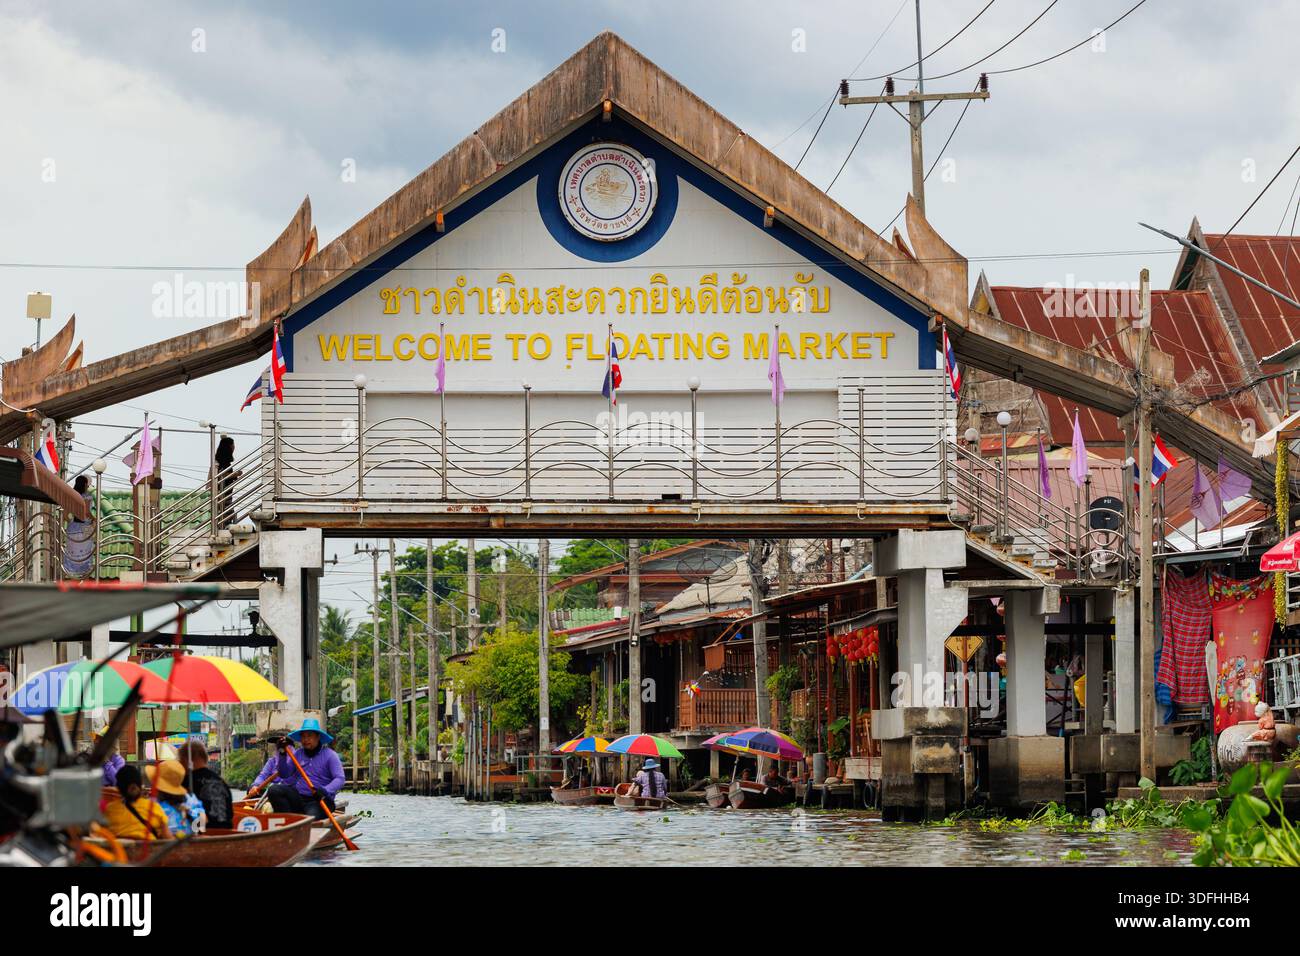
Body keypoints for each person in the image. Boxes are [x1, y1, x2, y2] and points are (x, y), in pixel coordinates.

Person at [266, 718, 345, 820]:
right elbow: (284, 774)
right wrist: (282, 753)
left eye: (309, 736)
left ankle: (297, 822)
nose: (305, 740)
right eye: (303, 736)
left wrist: (325, 790)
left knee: (308, 818)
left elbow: (340, 779)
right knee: (274, 790)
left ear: (318, 737)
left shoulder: (330, 755)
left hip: (320, 800)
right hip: (299, 798)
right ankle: (287, 821)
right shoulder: (298, 754)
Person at [101, 765, 171, 841]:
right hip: (150, 851)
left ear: (119, 788)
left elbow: (103, 834)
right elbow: (167, 838)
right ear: (140, 785)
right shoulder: (154, 807)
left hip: (119, 851)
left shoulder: (110, 809)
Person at [178, 739, 233, 829]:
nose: (180, 763)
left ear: (186, 759)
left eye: (180, 760)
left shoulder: (186, 782)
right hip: (227, 832)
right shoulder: (221, 782)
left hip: (200, 835)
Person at [147, 759, 205, 836]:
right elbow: (202, 824)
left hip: (163, 846)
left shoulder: (153, 805)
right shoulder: (191, 799)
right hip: (191, 843)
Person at [61, 475, 96, 578]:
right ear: (85, 484)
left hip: (72, 529)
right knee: (87, 554)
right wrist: (94, 519)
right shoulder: (87, 496)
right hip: (85, 527)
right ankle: (85, 579)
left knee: (72, 555)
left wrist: (72, 521)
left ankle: (71, 577)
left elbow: (65, 515)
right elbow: (86, 512)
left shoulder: (70, 496)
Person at [212, 435, 240, 527]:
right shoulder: (218, 462)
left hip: (227, 494)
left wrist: (234, 477)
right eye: (232, 445)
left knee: (228, 514)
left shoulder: (225, 462)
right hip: (220, 495)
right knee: (224, 514)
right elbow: (219, 475)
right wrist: (234, 474)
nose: (234, 447)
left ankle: (224, 526)